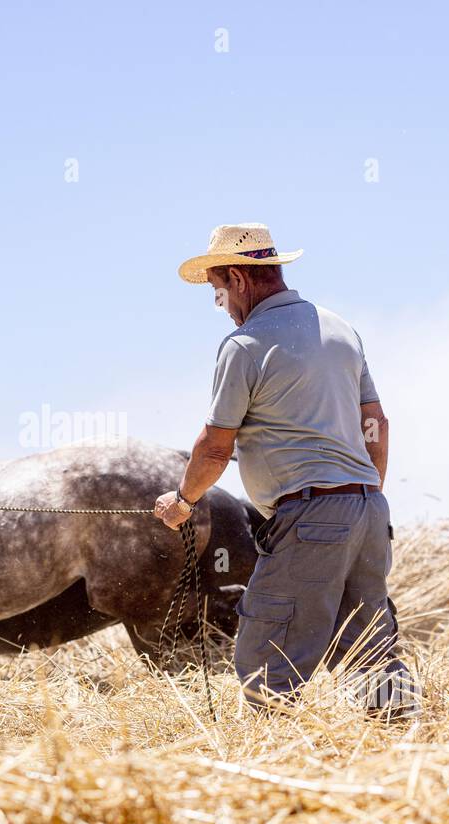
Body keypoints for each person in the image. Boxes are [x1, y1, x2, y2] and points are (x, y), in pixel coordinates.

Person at [153, 223, 417, 717]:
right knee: (369, 647)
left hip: (309, 514)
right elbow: (375, 422)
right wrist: (361, 498)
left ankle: (271, 771)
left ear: (238, 277)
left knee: (265, 654)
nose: (224, 307)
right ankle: (399, 749)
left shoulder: (245, 344)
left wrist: (183, 502)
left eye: (218, 295)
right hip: (367, 511)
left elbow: (214, 447)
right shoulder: (340, 328)